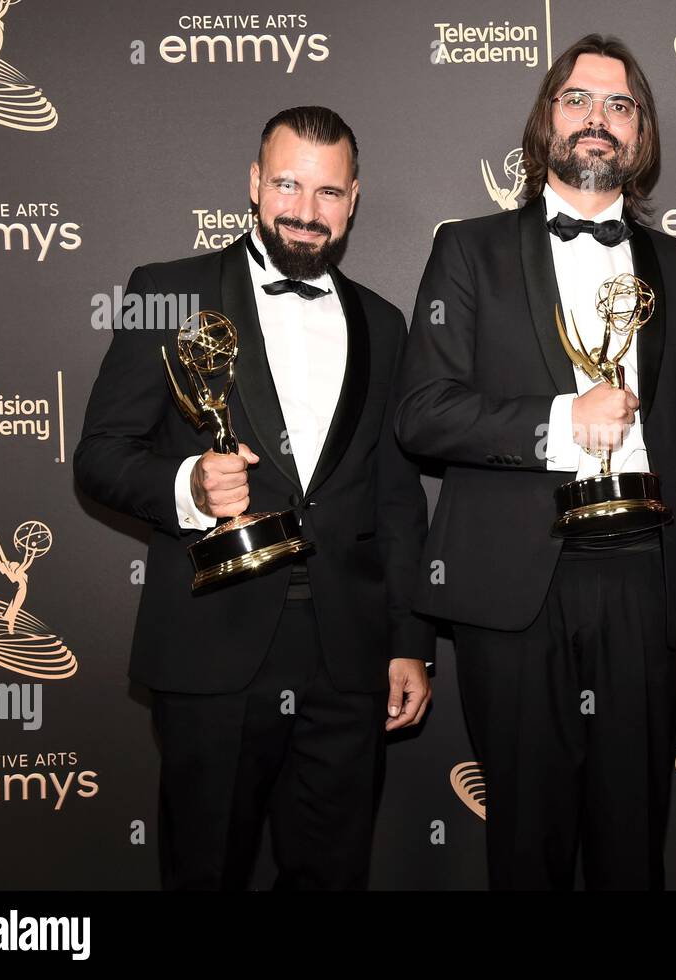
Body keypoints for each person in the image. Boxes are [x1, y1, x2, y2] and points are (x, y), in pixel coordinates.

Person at [394, 35, 676, 890]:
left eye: (620, 106)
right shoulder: (466, 250)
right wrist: (559, 420)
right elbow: (421, 412)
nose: (598, 120)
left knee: (632, 850)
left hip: (644, 585)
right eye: (578, 100)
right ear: (545, 119)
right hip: (516, 593)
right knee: (526, 849)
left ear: (642, 134)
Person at [75, 106, 434, 890]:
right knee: (207, 871)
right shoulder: (165, 292)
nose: (305, 212)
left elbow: (397, 500)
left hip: (348, 656)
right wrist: (189, 486)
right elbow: (98, 456)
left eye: (328, 193)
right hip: (214, 644)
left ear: (354, 200)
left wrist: (409, 638)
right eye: (287, 185)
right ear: (252, 184)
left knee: (332, 874)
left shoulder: (383, 322)